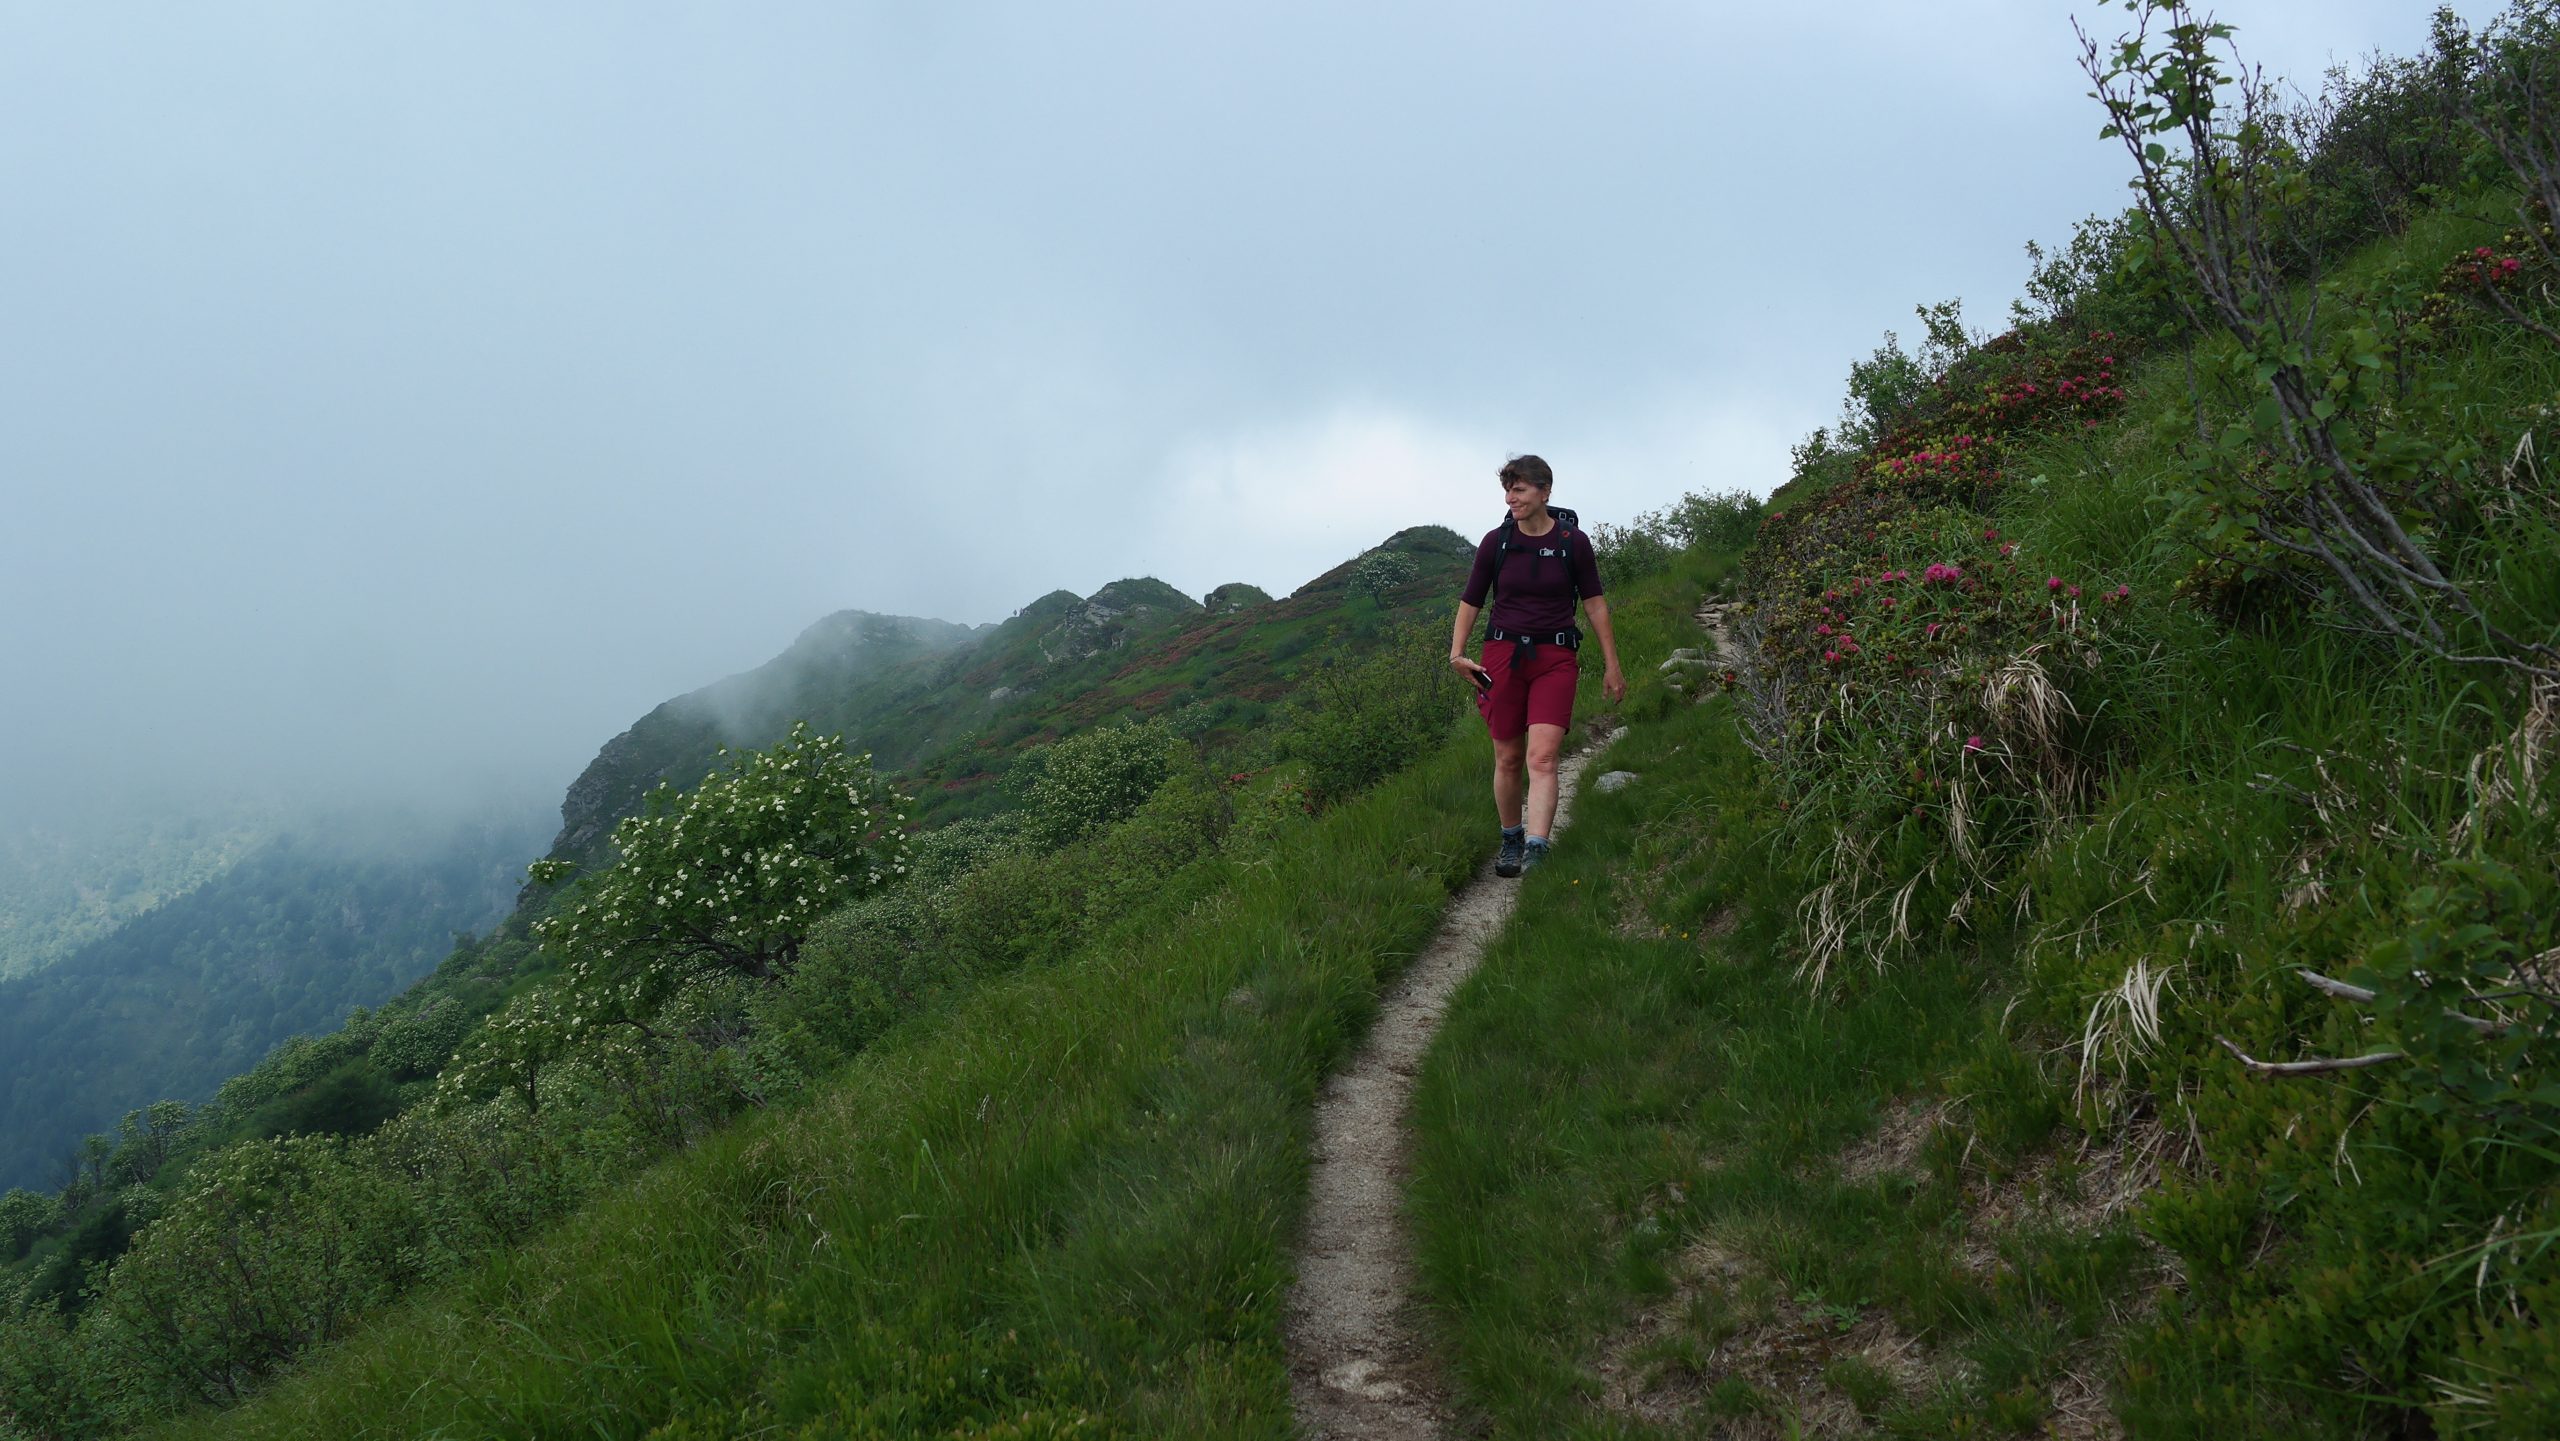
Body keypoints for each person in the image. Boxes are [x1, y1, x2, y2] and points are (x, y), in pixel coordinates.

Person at [1448, 454, 1625, 877]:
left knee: (1542, 758)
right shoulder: (1496, 542)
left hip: (1555, 659)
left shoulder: (1572, 542)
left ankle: (1538, 850)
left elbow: (1595, 604)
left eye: (1520, 489)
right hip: (1502, 658)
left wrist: (1612, 665)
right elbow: (1471, 601)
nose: (1511, 498)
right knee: (1508, 757)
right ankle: (1511, 838)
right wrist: (1457, 655)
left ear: (1545, 491)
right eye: (1508, 490)